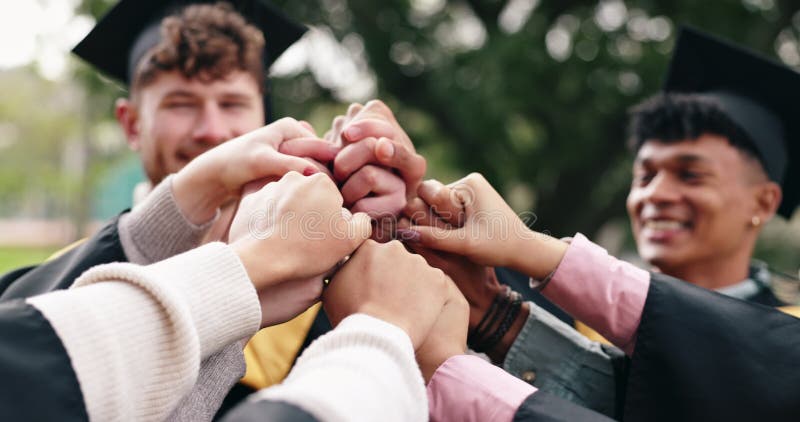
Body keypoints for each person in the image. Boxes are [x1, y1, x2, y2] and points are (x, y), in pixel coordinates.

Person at [0, 0, 423, 416]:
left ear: (263, 115)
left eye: (232, 103)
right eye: (181, 104)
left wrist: (396, 223)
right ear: (132, 124)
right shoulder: (59, 285)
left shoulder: (334, 278)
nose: (213, 130)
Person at [401, 172, 800, 421]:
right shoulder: (570, 308)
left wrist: (448, 372)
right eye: (644, 175)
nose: (656, 193)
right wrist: (496, 314)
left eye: (691, 175)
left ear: (763, 201)